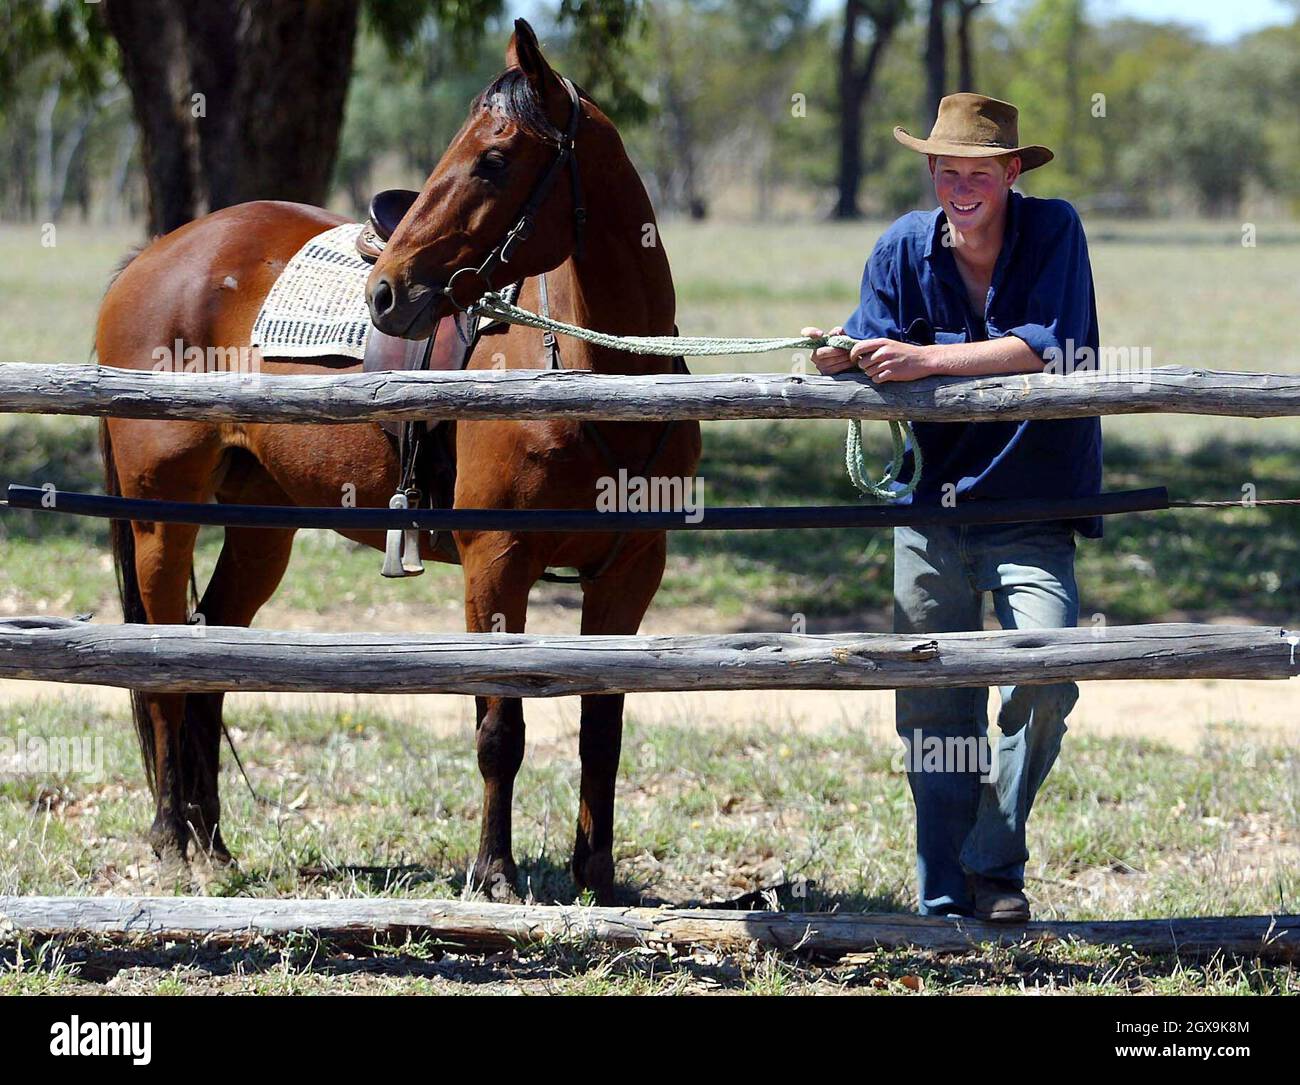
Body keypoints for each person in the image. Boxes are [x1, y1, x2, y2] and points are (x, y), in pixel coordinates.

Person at [801, 93, 1103, 921]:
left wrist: (923, 357)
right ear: (931, 171)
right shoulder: (901, 245)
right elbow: (874, 339)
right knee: (933, 700)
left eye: (979, 170)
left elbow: (1046, 346)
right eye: (947, 169)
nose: (961, 185)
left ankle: (990, 860)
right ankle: (945, 900)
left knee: (1048, 673)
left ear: (1011, 172)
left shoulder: (1056, 230)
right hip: (929, 507)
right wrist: (841, 354)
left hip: (1035, 501)